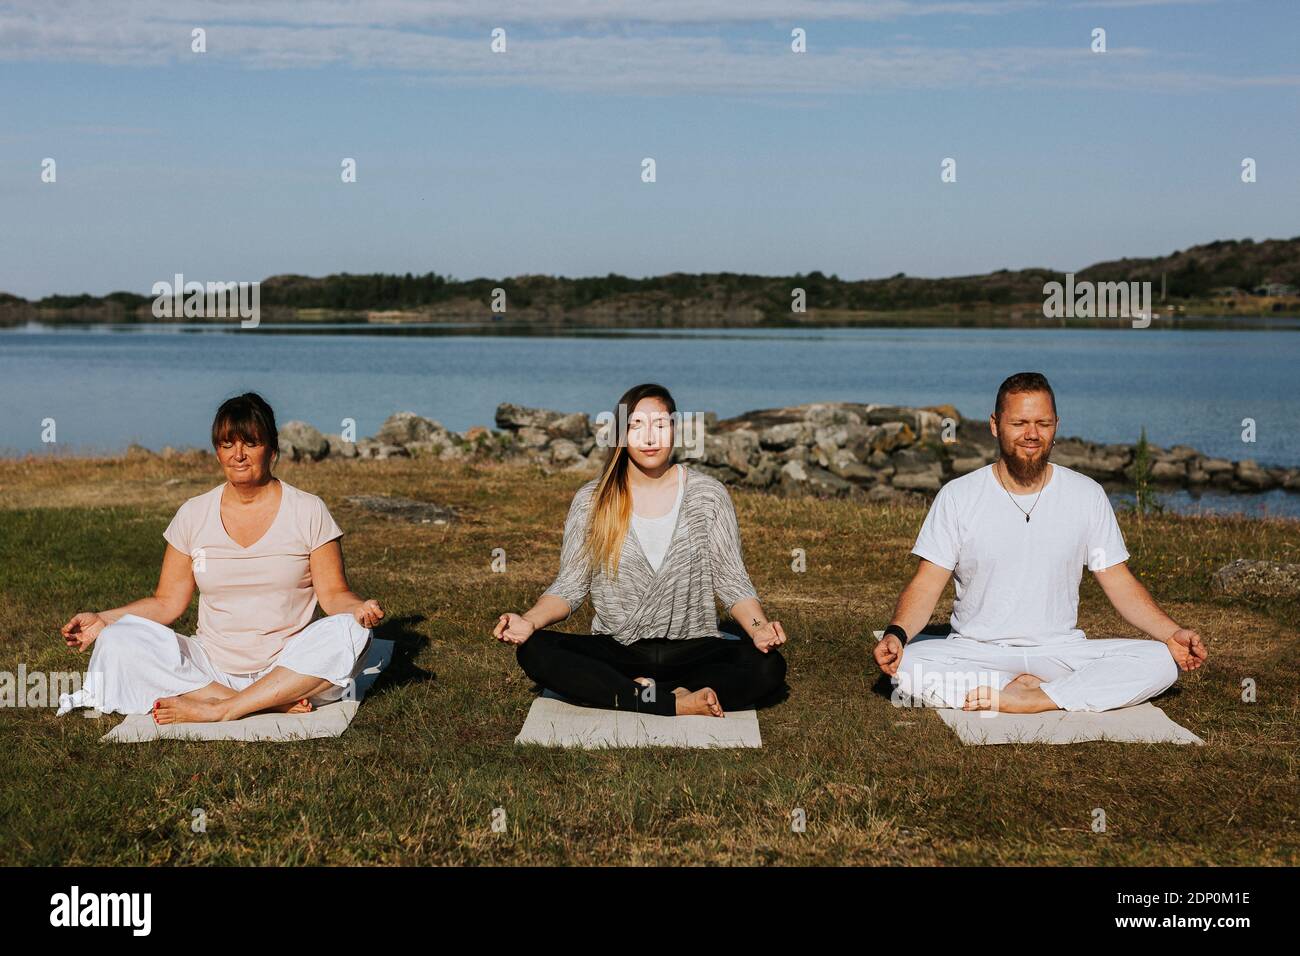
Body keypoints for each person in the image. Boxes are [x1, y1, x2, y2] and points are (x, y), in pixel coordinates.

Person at [874, 371, 1207, 713]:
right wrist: (896, 635)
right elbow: (927, 584)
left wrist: (1171, 633)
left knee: (1161, 661)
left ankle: (1035, 697)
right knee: (907, 667)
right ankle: (1029, 690)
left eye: (1043, 423)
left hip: (1059, 650)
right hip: (979, 650)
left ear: (1056, 426)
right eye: (1019, 423)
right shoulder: (958, 497)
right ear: (995, 424)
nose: (1032, 434)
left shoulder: (1086, 495)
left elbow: (1119, 582)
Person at [57, 392, 383, 723]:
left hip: (289, 667)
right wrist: (104, 619)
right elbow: (167, 602)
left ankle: (222, 708)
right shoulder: (193, 514)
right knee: (118, 640)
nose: (238, 455)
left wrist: (357, 609)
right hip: (210, 669)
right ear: (217, 452)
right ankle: (258, 703)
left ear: (272, 449)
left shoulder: (308, 510)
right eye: (228, 444)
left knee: (352, 632)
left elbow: (333, 594)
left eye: (250, 443)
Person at [495, 383, 788, 717]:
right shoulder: (593, 500)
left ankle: (637, 693)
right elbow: (570, 586)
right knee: (535, 652)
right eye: (637, 426)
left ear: (675, 431)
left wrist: (758, 628)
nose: (650, 438)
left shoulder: (708, 495)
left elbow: (732, 581)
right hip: (619, 649)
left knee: (769, 667)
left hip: (691, 650)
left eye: (660, 426)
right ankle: (675, 701)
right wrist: (529, 621)